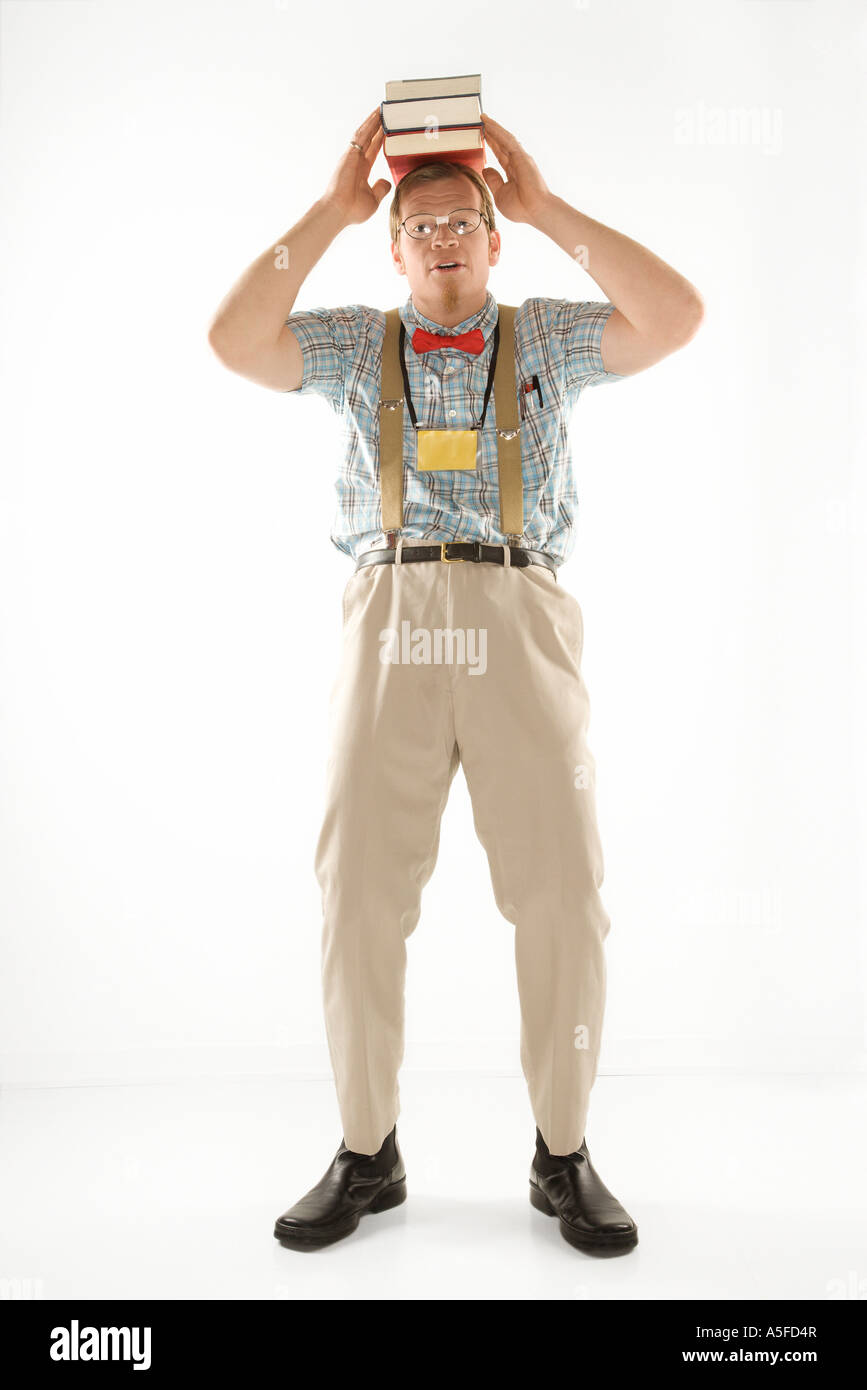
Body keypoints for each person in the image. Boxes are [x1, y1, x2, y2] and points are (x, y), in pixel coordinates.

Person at [207, 106, 704, 1256]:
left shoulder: (546, 338)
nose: (442, 239)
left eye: (465, 223)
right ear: (394, 249)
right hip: (390, 614)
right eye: (419, 224)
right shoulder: (350, 343)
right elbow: (233, 341)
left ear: (492, 240)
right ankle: (367, 1149)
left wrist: (545, 204)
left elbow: (676, 316)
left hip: (517, 610)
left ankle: (563, 1152)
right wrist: (331, 209)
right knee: (360, 895)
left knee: (565, 893)